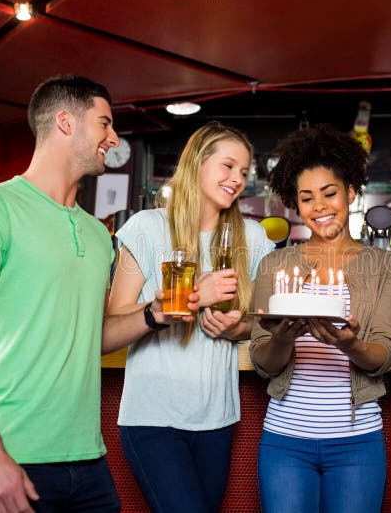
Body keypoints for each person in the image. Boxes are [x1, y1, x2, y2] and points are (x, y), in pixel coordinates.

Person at [0, 75, 122, 512]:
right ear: (65, 122)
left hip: (89, 461)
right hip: (10, 456)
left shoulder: (98, 235)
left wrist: (157, 315)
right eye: (104, 124)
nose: (114, 138)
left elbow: (89, 338)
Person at [104, 122, 274, 513]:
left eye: (244, 172)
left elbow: (265, 321)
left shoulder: (254, 237)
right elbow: (110, 328)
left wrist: (239, 328)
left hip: (218, 419)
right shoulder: (147, 228)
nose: (237, 179)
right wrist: (197, 293)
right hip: (152, 418)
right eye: (228, 166)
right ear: (197, 162)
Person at [250, 124, 391, 513]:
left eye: (329, 193)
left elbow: (387, 356)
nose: (319, 206)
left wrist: (348, 343)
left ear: (351, 192)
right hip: (285, 440)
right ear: (295, 204)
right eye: (306, 198)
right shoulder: (275, 264)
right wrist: (283, 339)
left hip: (357, 443)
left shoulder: (387, 266)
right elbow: (262, 363)